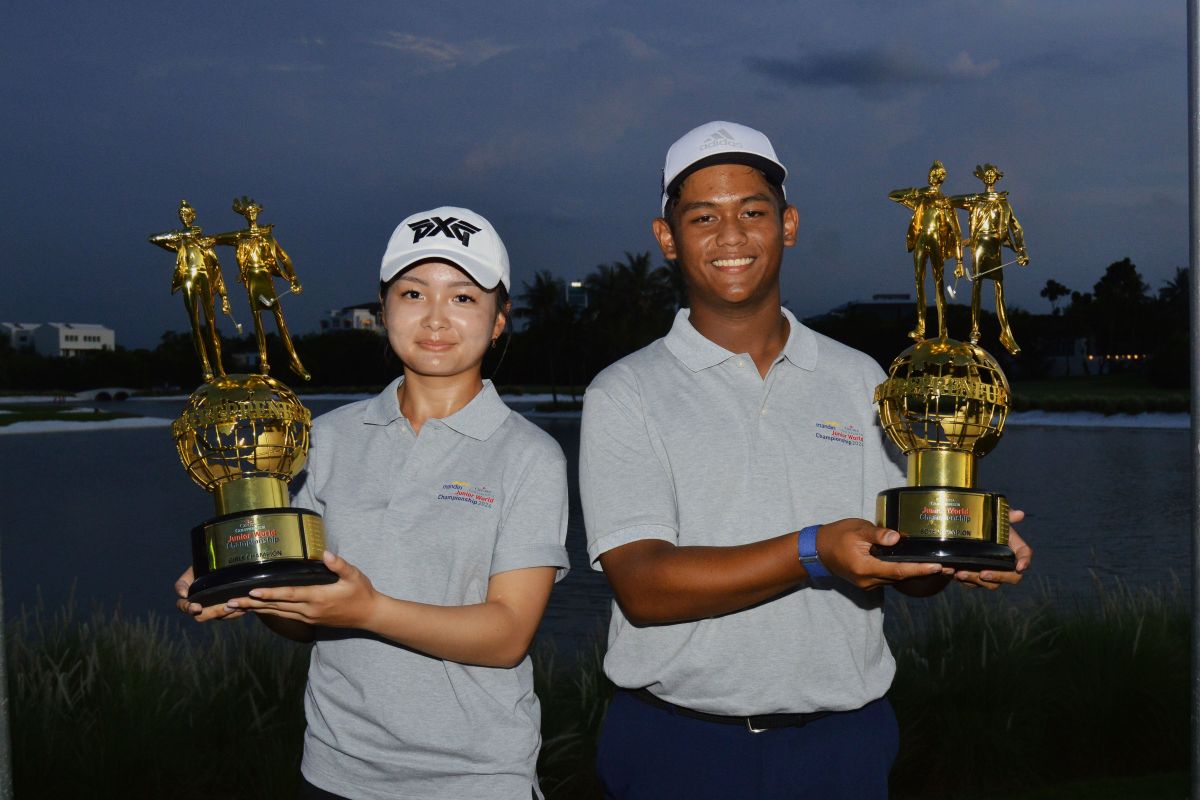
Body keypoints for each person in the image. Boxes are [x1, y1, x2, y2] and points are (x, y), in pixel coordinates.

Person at [580, 121, 1032, 800]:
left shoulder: (863, 381)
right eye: (703, 216)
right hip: (676, 746)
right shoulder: (625, 390)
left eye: (752, 212)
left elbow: (895, 565)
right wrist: (814, 549)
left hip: (841, 746)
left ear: (787, 225)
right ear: (666, 237)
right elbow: (644, 587)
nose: (731, 236)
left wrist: (955, 546)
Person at [176, 206, 570, 800]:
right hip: (335, 771)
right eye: (413, 293)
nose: (435, 317)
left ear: (498, 321)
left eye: (463, 297)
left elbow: (508, 633)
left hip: (476, 779)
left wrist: (368, 610)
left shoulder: (530, 455)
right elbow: (306, 618)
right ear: (383, 310)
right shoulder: (322, 438)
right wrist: (247, 582)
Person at [212, 196, 311, 380]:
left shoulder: (267, 236)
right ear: (244, 214)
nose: (251, 213)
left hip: (265, 278)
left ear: (258, 212)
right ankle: (264, 365)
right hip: (252, 280)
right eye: (248, 211)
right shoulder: (241, 236)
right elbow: (216, 239)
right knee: (258, 321)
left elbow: (285, 258)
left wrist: (293, 278)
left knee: (279, 319)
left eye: (254, 210)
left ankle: (295, 361)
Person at [148, 199, 232, 382]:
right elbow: (154, 239)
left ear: (193, 216)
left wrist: (224, 296)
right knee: (195, 324)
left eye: (187, 215)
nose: (184, 218)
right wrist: (181, 234)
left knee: (211, 324)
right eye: (181, 216)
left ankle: (219, 367)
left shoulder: (204, 242)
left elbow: (217, 270)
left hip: (204, 277)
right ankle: (206, 367)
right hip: (188, 278)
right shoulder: (181, 242)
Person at [950, 163, 1030, 354]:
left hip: (995, 246)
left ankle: (1005, 332)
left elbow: (1016, 227)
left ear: (997, 177)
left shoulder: (1003, 202)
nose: (989, 177)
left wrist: (1021, 250)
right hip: (979, 245)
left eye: (992, 174)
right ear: (982, 177)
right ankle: (975, 331)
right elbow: (952, 201)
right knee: (976, 285)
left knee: (999, 287)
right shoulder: (977, 200)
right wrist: (975, 198)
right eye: (986, 174)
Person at [888, 161, 963, 342]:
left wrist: (960, 261)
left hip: (937, 242)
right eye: (933, 174)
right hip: (922, 240)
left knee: (939, 284)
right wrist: (917, 191)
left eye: (937, 175)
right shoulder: (922, 198)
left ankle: (942, 329)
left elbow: (957, 232)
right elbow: (893, 195)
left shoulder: (945, 202)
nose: (934, 178)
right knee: (919, 283)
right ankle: (920, 327)